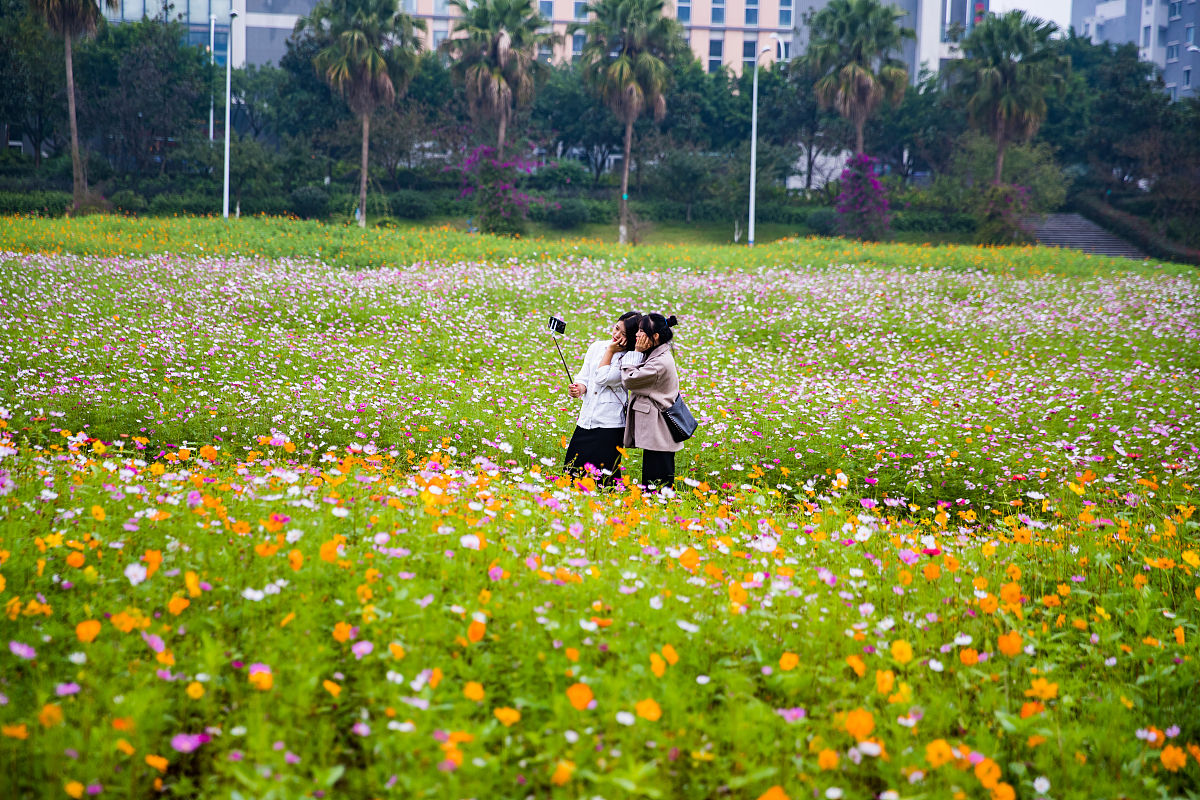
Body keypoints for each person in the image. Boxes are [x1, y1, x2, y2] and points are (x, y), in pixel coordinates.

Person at [563, 312, 643, 484]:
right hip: (586, 419)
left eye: (623, 334)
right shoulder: (596, 346)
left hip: (610, 424)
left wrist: (611, 351)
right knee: (571, 472)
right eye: (616, 328)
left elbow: (602, 378)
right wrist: (579, 388)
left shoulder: (632, 358)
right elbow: (585, 376)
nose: (616, 335)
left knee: (603, 478)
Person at [620, 313, 682, 490]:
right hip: (658, 431)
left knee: (657, 481)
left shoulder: (658, 363)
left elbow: (630, 380)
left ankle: (658, 512)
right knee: (654, 476)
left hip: (659, 430)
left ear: (655, 336)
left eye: (641, 331)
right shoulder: (658, 353)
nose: (637, 335)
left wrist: (636, 353)